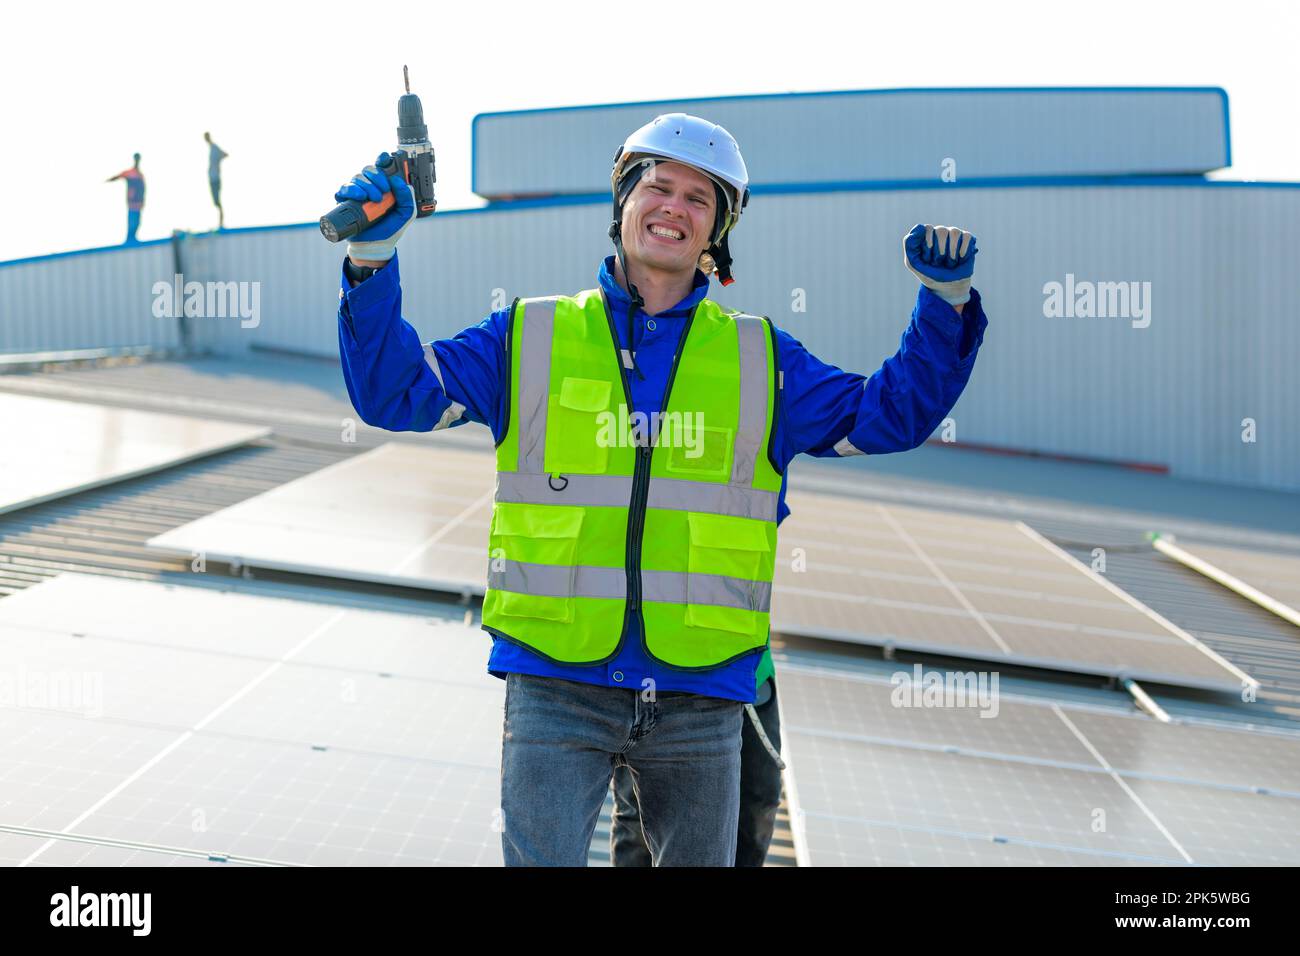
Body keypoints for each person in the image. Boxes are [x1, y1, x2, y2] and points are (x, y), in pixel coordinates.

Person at [334, 113, 988, 867]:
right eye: (658, 185)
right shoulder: (528, 336)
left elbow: (889, 414)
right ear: (623, 201)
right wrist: (372, 259)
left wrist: (946, 307)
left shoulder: (763, 358)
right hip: (556, 681)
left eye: (700, 199)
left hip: (701, 695)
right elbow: (395, 394)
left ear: (719, 231)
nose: (675, 207)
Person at [105, 153, 145, 244]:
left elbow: (143, 189)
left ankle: (133, 239)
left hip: (139, 204)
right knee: (132, 222)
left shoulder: (140, 175)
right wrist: (108, 180)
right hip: (132, 203)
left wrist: (143, 201)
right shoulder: (129, 173)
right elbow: (118, 176)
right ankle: (129, 240)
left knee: (137, 223)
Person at [205, 132, 228, 229]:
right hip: (212, 178)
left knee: (217, 202)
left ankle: (221, 223)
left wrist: (218, 161)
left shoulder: (214, 148)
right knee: (216, 202)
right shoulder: (211, 148)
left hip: (215, 179)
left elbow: (225, 154)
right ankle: (220, 222)